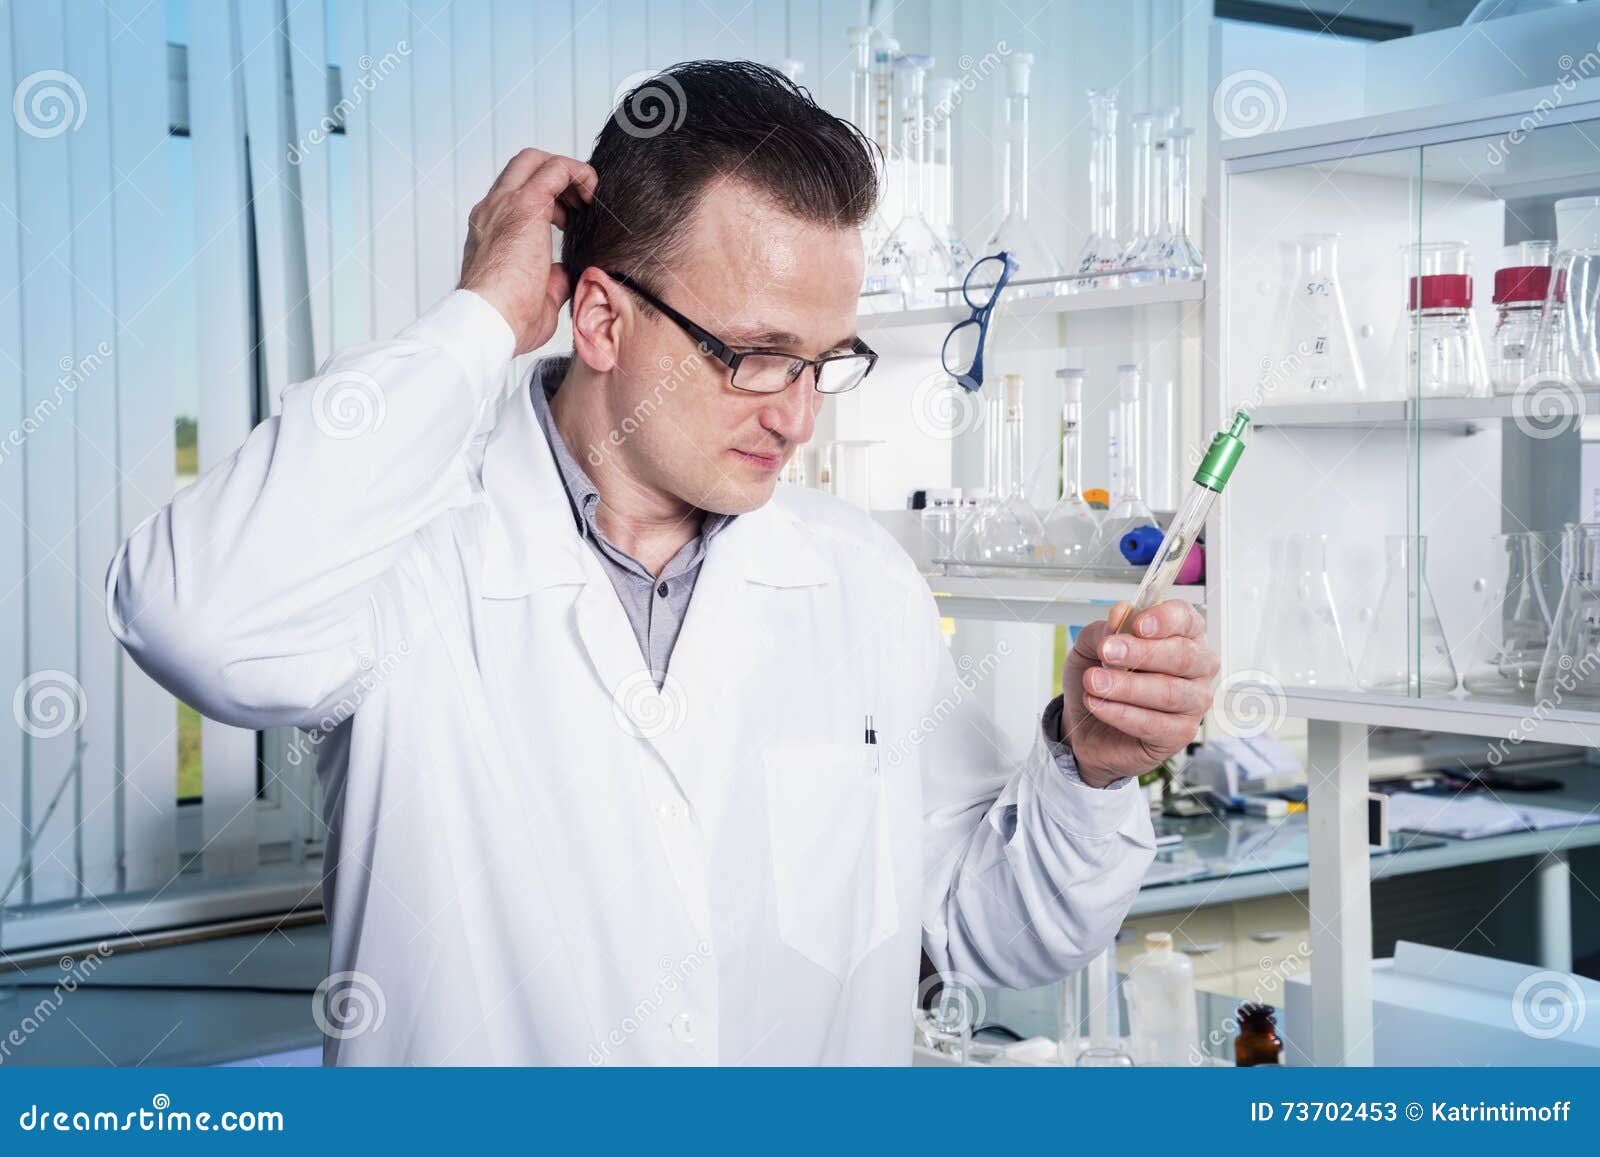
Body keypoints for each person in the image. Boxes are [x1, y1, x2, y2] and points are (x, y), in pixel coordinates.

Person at [107, 61, 1217, 1065]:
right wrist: (481, 316)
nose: (796, 419)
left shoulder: (854, 579)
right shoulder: (411, 547)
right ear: (597, 316)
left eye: (823, 364)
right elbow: (191, 618)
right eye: (754, 356)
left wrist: (1092, 765)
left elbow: (995, 930)